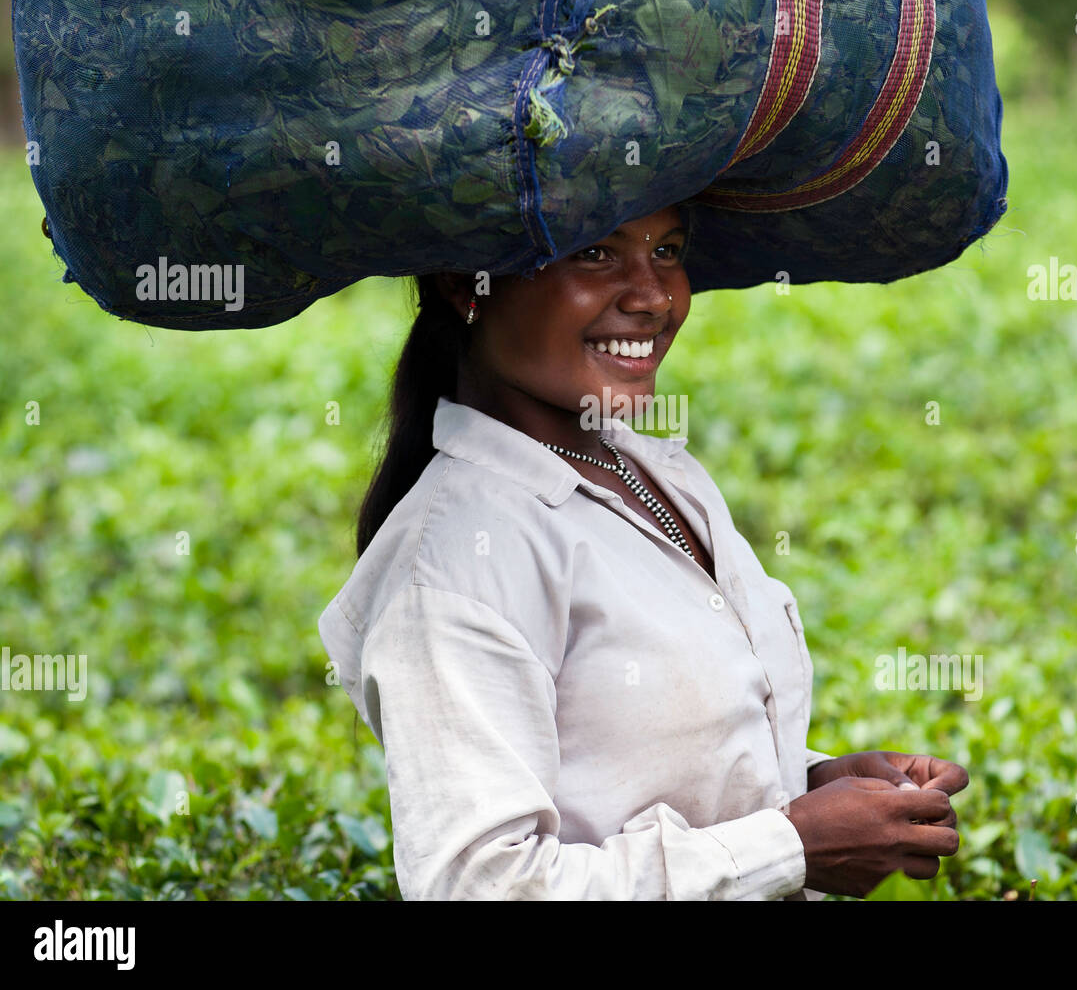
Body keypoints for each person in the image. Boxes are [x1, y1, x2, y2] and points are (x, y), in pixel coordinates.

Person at [318, 202, 968, 899]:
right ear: (463, 281)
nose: (654, 295)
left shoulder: (651, 470)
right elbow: (484, 882)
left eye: (668, 249)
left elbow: (622, 760)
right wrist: (794, 843)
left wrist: (809, 782)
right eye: (596, 252)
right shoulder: (455, 558)